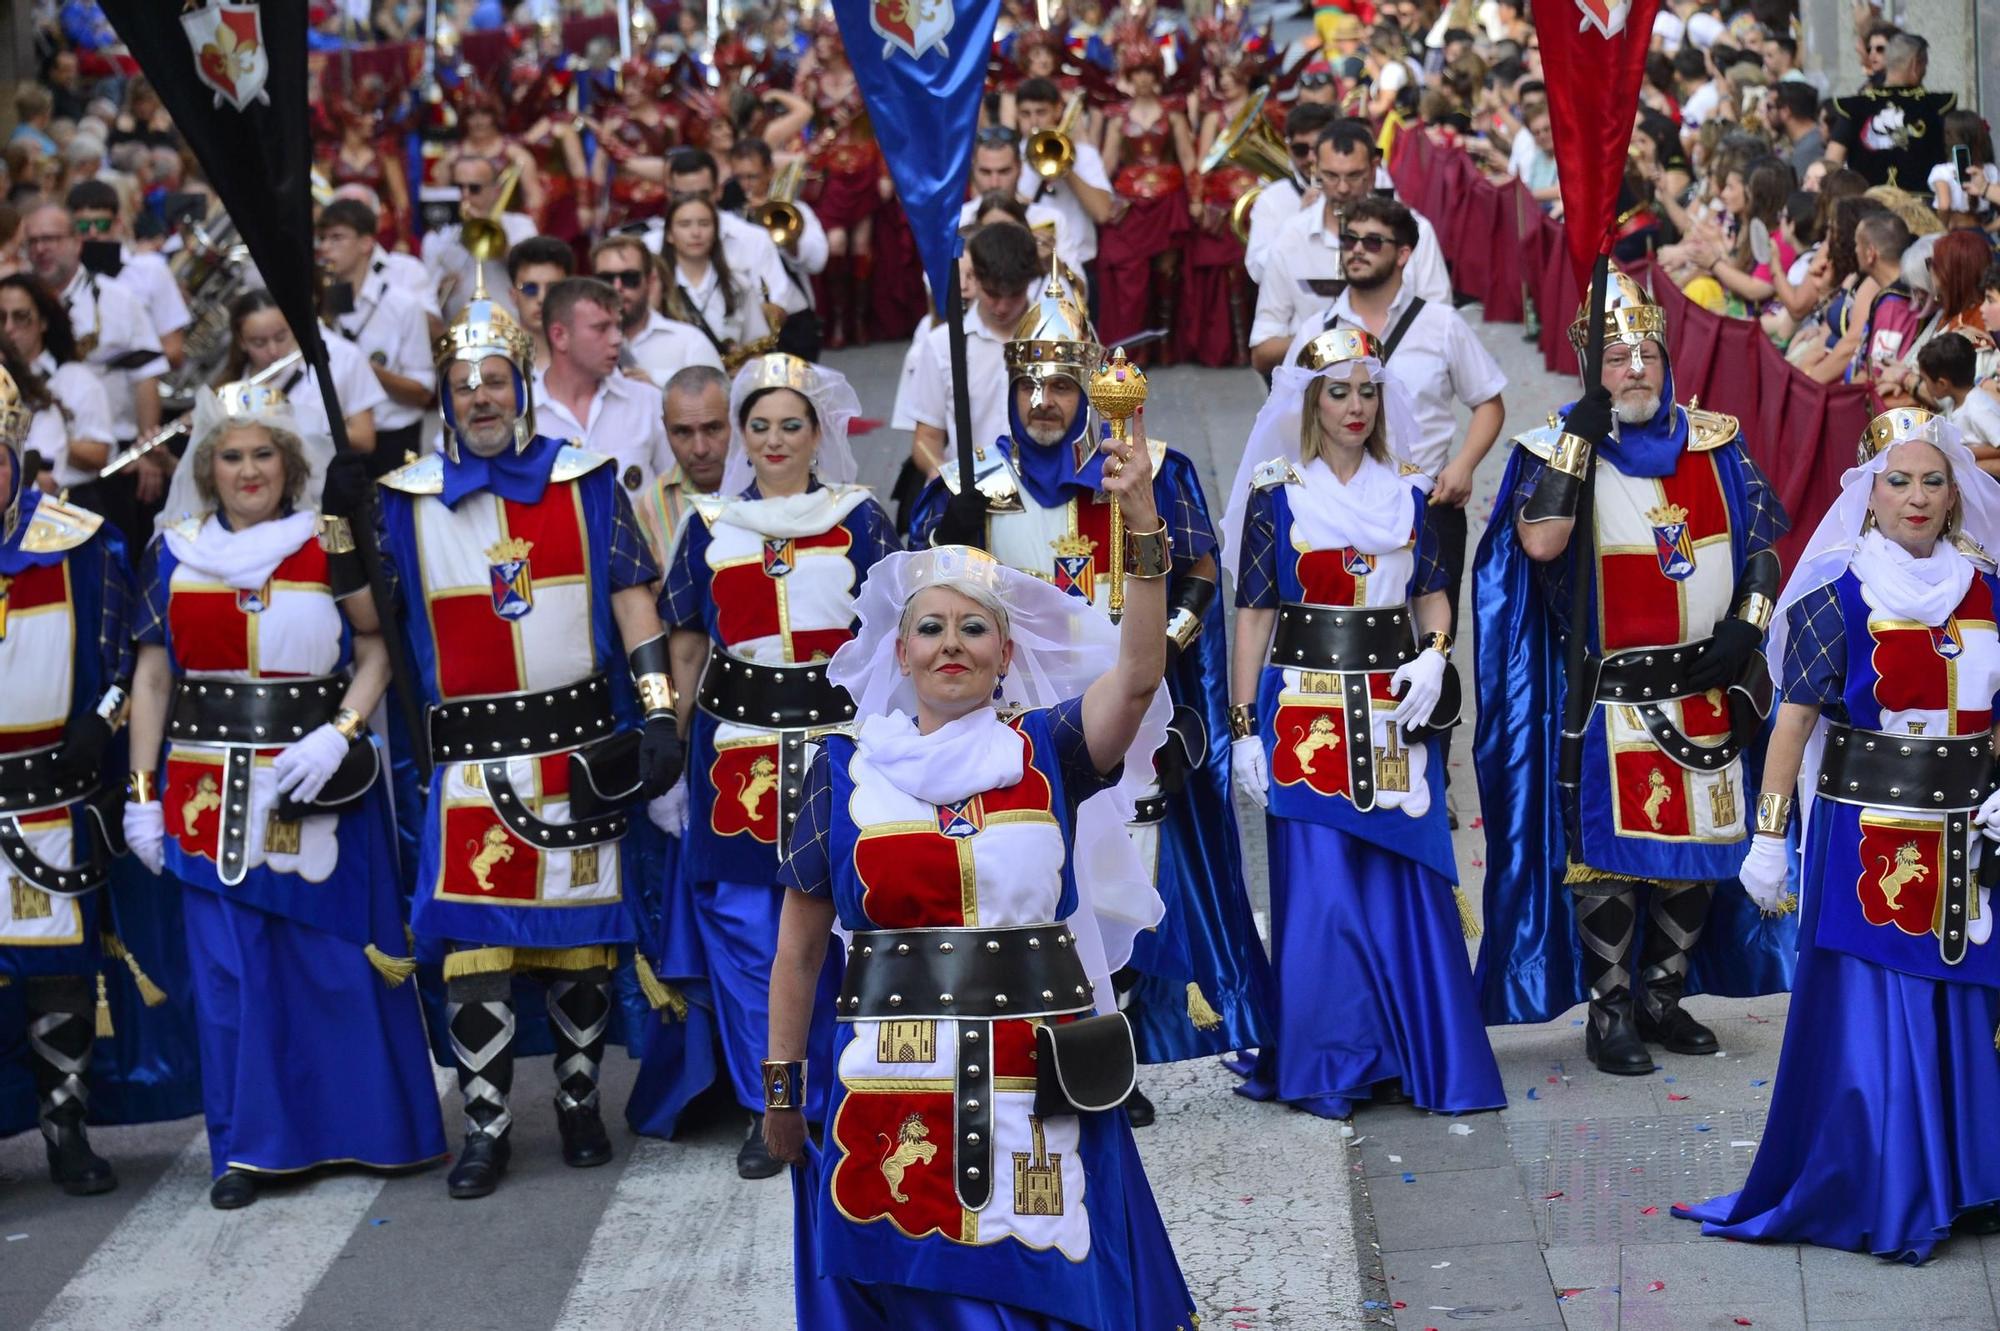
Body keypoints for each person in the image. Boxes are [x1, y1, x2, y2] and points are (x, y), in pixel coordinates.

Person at [763, 535, 1197, 1329]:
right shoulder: (839, 770)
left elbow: (1139, 675)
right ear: (901, 653)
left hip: (1038, 1087)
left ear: (1005, 653)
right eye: (931, 628)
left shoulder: (1051, 750)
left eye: (973, 628)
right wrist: (782, 1091)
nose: (951, 644)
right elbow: (798, 953)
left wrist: (1142, 533)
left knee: (1053, 1282)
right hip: (890, 1091)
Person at [911, 277, 1274, 1112]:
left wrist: (1155, 662)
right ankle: (1037, 1047)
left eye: (1061, 385)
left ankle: (1119, 1056)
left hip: (1124, 724)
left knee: (1121, 885)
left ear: (1087, 391)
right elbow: (927, 607)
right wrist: (944, 537)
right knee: (1027, 885)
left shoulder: (1145, 472)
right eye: (1028, 384)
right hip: (1014, 731)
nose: (1042, 401)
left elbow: (1199, 574)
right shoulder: (972, 487)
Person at [373, 287, 684, 1199]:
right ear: (445, 397)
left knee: (580, 945)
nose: (481, 396)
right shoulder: (402, 501)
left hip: (576, 746)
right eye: (464, 383)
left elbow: (634, 599)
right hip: (471, 764)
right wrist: (347, 538)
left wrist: (660, 711)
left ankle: (580, 1102)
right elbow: (371, 620)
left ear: (522, 387)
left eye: (496, 379)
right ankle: (487, 1124)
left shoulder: (587, 480)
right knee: (474, 949)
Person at [1676, 409, 2000, 1261]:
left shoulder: (1987, 588)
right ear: (1868, 493)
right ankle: (1889, 1186)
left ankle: (1965, 1180)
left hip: (1968, 832)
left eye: (1933, 480)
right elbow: (1793, 722)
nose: (1917, 497)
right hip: (1869, 838)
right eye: (1899, 481)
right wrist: (1769, 835)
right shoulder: (1839, 593)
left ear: (1954, 492)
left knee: (1961, 999)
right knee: (1885, 1007)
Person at [122, 380, 445, 1209]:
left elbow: (378, 645)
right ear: (208, 468)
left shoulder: (326, 542)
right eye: (231, 455)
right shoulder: (173, 551)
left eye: (264, 453)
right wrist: (142, 792)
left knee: (332, 968)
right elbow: (152, 678)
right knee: (231, 980)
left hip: (316, 780)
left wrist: (341, 730)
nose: (248, 470)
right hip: (203, 796)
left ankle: (365, 1130)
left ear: (290, 462)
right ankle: (250, 1148)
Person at [1472, 274, 1796, 1072]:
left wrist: (1747, 626)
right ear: (1593, 371)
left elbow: (1761, 546)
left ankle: (1662, 997)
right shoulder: (1554, 448)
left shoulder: (1717, 441)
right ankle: (1610, 1010)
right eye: (1618, 358)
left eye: (1648, 352)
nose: (1637, 369)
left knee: (1699, 855)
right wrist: (1578, 442)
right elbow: (1540, 542)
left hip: (1708, 684)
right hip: (1613, 698)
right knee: (1611, 863)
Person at [1223, 326, 1505, 1119]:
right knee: (1321, 896)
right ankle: (1332, 1062)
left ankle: (1414, 1053)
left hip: (1393, 709)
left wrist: (1436, 656)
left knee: (1403, 886)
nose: (1355, 406)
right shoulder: (1279, 493)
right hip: (1303, 711)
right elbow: (1254, 616)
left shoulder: (1412, 491)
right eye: (1339, 392)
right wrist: (1243, 728)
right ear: (1312, 402)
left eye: (1368, 391)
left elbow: (1433, 597)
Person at [654, 354, 898, 1177]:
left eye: (791, 424)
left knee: (841, 932)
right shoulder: (708, 524)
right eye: (758, 425)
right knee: (747, 935)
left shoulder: (860, 517)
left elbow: (890, 641)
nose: (774, 440)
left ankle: (844, 1095)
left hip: (838, 750)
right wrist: (669, 746)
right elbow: (689, 645)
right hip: (735, 757)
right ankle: (773, 1107)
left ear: (818, 432)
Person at [0, 364, 134, 1195]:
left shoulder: (81, 539)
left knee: (59, 969)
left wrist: (102, 720)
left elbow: (127, 659)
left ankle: (66, 1127)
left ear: (15, 457)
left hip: (51, 792)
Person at [1282, 197, 1506, 639]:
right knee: (1345, 638)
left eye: (1372, 242)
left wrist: (1464, 466)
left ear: (1403, 254)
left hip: (1427, 503)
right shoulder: (1316, 331)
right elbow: (1288, 416)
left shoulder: (1441, 324)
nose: (1356, 249)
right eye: (1349, 239)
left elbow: (1489, 402)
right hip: (1335, 507)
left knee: (1432, 639)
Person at [18, 202, 167, 550]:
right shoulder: (14, 304)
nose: (41, 249)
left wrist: (147, 451)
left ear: (76, 242)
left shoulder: (118, 299)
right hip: (34, 467)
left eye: (51, 239)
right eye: (33, 241)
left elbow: (146, 376)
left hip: (112, 464)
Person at [1250, 121, 1449, 375]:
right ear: (1316, 169)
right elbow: (1262, 353)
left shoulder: (1417, 231)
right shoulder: (1291, 238)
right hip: (1319, 390)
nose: (1343, 188)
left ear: (1374, 169)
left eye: (1354, 176)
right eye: (1331, 176)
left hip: (1403, 386)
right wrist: (1329, 341)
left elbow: (1443, 330)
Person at [904, 222, 1041, 481]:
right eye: (992, 293)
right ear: (974, 277)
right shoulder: (941, 344)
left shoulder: (1058, 335)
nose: (1002, 307)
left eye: (1014, 294)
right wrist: (943, 475)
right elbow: (927, 438)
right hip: (972, 489)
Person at [314, 199, 436, 476]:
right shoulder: (320, 304)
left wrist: (364, 370)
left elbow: (422, 392)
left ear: (366, 243)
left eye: (337, 238)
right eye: (322, 239)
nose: (325, 248)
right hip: (338, 438)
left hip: (393, 439)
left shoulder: (403, 305)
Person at [1095, 44, 1194, 362]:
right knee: (1131, 276)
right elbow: (1107, 164)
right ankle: (1133, 347)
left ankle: (1164, 347)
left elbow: (1188, 159)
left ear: (1157, 76)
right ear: (1129, 76)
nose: (1142, 79)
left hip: (1168, 202)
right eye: (1136, 73)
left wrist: (1196, 199)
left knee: (1167, 274)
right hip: (1131, 206)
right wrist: (1102, 200)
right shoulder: (1117, 117)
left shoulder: (1173, 113)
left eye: (1148, 72)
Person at [532, 276, 671, 500]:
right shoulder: (524, 415)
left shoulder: (648, 402)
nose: (617, 339)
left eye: (618, 326)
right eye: (601, 328)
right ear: (559, 336)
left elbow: (675, 492)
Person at [220, 288, 384, 459]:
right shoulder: (235, 394)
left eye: (281, 337)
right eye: (259, 343)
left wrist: (308, 429)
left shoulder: (338, 357)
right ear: (241, 341)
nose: (273, 350)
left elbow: (365, 441)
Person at [0, 273, 113, 493]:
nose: (9, 327)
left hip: (69, 496)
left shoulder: (76, 379)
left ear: (43, 322)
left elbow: (99, 454)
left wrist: (50, 437)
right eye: (1, 317)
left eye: (20, 317)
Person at [66, 180, 189, 372]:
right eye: (83, 226)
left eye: (102, 224)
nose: (93, 233)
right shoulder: (64, 279)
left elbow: (174, 350)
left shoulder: (150, 270)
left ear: (118, 224)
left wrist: (111, 366)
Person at [1012, 78, 1116, 280]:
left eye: (1041, 112)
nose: (1033, 122)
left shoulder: (1084, 155)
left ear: (1058, 110)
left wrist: (1064, 167)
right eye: (1025, 114)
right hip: (1026, 267)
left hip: (1076, 266)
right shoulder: (1011, 156)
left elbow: (1102, 213)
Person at [1823, 33, 1954, 192]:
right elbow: (1957, 160)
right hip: (1923, 205)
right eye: (1925, 65)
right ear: (1916, 64)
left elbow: (1832, 163)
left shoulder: (1854, 107)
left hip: (1867, 204)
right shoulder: (1938, 106)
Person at [588, 234, 721, 389]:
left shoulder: (690, 342)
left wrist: (659, 393)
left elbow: (717, 401)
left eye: (629, 278)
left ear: (650, 281)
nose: (617, 287)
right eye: (606, 279)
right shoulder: (578, 345)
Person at [632, 363, 730, 562]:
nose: (700, 449)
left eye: (713, 429)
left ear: (736, 420)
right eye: (683, 432)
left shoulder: (773, 487)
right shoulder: (651, 506)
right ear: (665, 427)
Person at [661, 192, 772, 367]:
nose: (696, 233)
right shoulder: (655, 286)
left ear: (715, 232)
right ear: (669, 234)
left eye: (704, 224)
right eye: (685, 225)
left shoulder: (738, 284)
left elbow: (756, 346)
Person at [421, 154, 537, 321]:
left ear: (495, 192)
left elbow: (532, 273)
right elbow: (427, 302)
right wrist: (439, 289)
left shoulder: (521, 225)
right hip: (459, 330)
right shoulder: (436, 238)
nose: (465, 195)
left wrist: (497, 241)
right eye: (458, 187)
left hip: (510, 327)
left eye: (474, 188)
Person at [1917, 335, 2000, 450]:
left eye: (1924, 379)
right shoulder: (1953, 400)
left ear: (1942, 384)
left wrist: (1965, 452)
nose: (1924, 384)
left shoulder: (1979, 410)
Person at [506, 234, 575, 371]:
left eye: (553, 288)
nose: (542, 298)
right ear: (513, 296)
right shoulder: (495, 363)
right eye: (530, 288)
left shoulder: (590, 360)